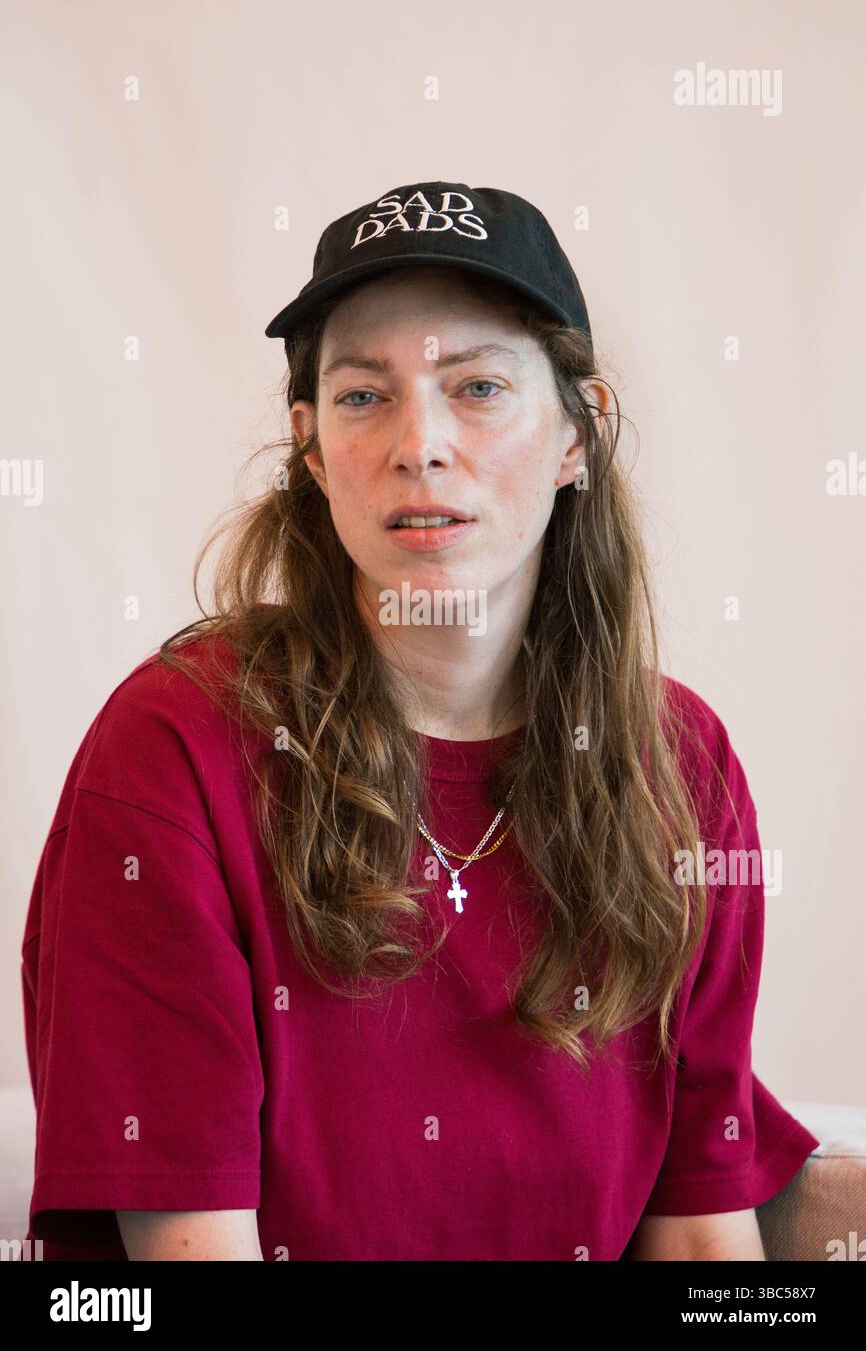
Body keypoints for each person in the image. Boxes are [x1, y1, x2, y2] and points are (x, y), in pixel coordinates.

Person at [20, 181, 819, 1262]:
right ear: (309, 447)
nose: (419, 443)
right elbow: (186, 1259)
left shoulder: (680, 767)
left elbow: (698, 1244)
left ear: (578, 436)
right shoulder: (176, 747)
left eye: (477, 385)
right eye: (362, 396)